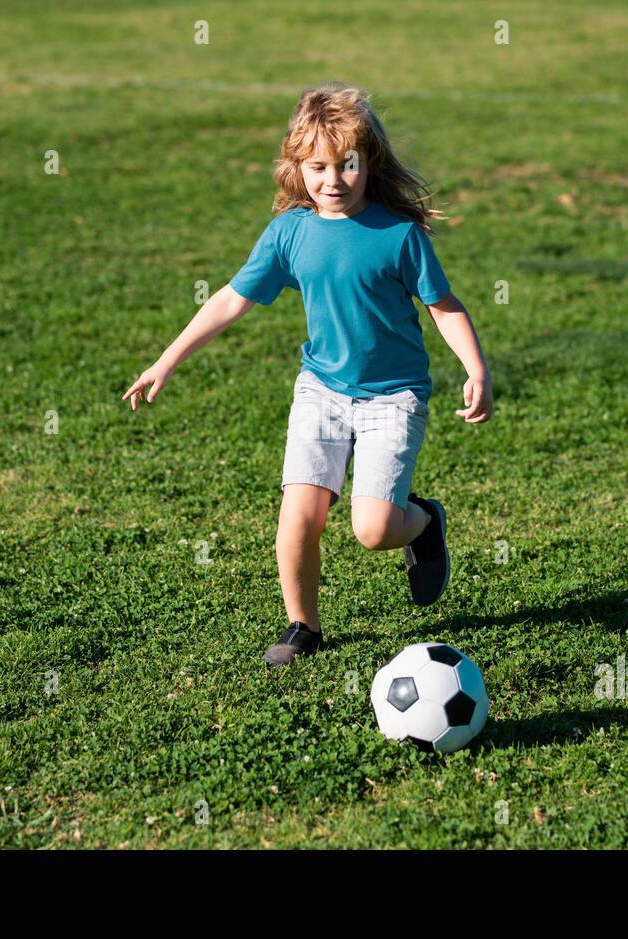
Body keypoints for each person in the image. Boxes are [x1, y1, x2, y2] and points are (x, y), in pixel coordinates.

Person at [122, 81, 492, 666]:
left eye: (347, 165)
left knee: (372, 530)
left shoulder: (399, 235)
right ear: (297, 167)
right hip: (322, 390)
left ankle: (422, 524)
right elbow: (230, 300)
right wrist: (166, 360)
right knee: (299, 516)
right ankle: (303, 627)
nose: (333, 180)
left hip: (391, 397)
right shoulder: (291, 233)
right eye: (317, 167)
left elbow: (443, 306)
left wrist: (475, 367)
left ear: (368, 162)